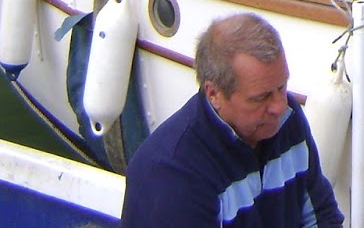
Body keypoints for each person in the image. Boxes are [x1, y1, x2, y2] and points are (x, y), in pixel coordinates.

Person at [121, 12, 344, 227]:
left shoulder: (287, 120)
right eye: (261, 97)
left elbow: (322, 216)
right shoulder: (173, 174)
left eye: (282, 87)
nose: (279, 106)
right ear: (214, 94)